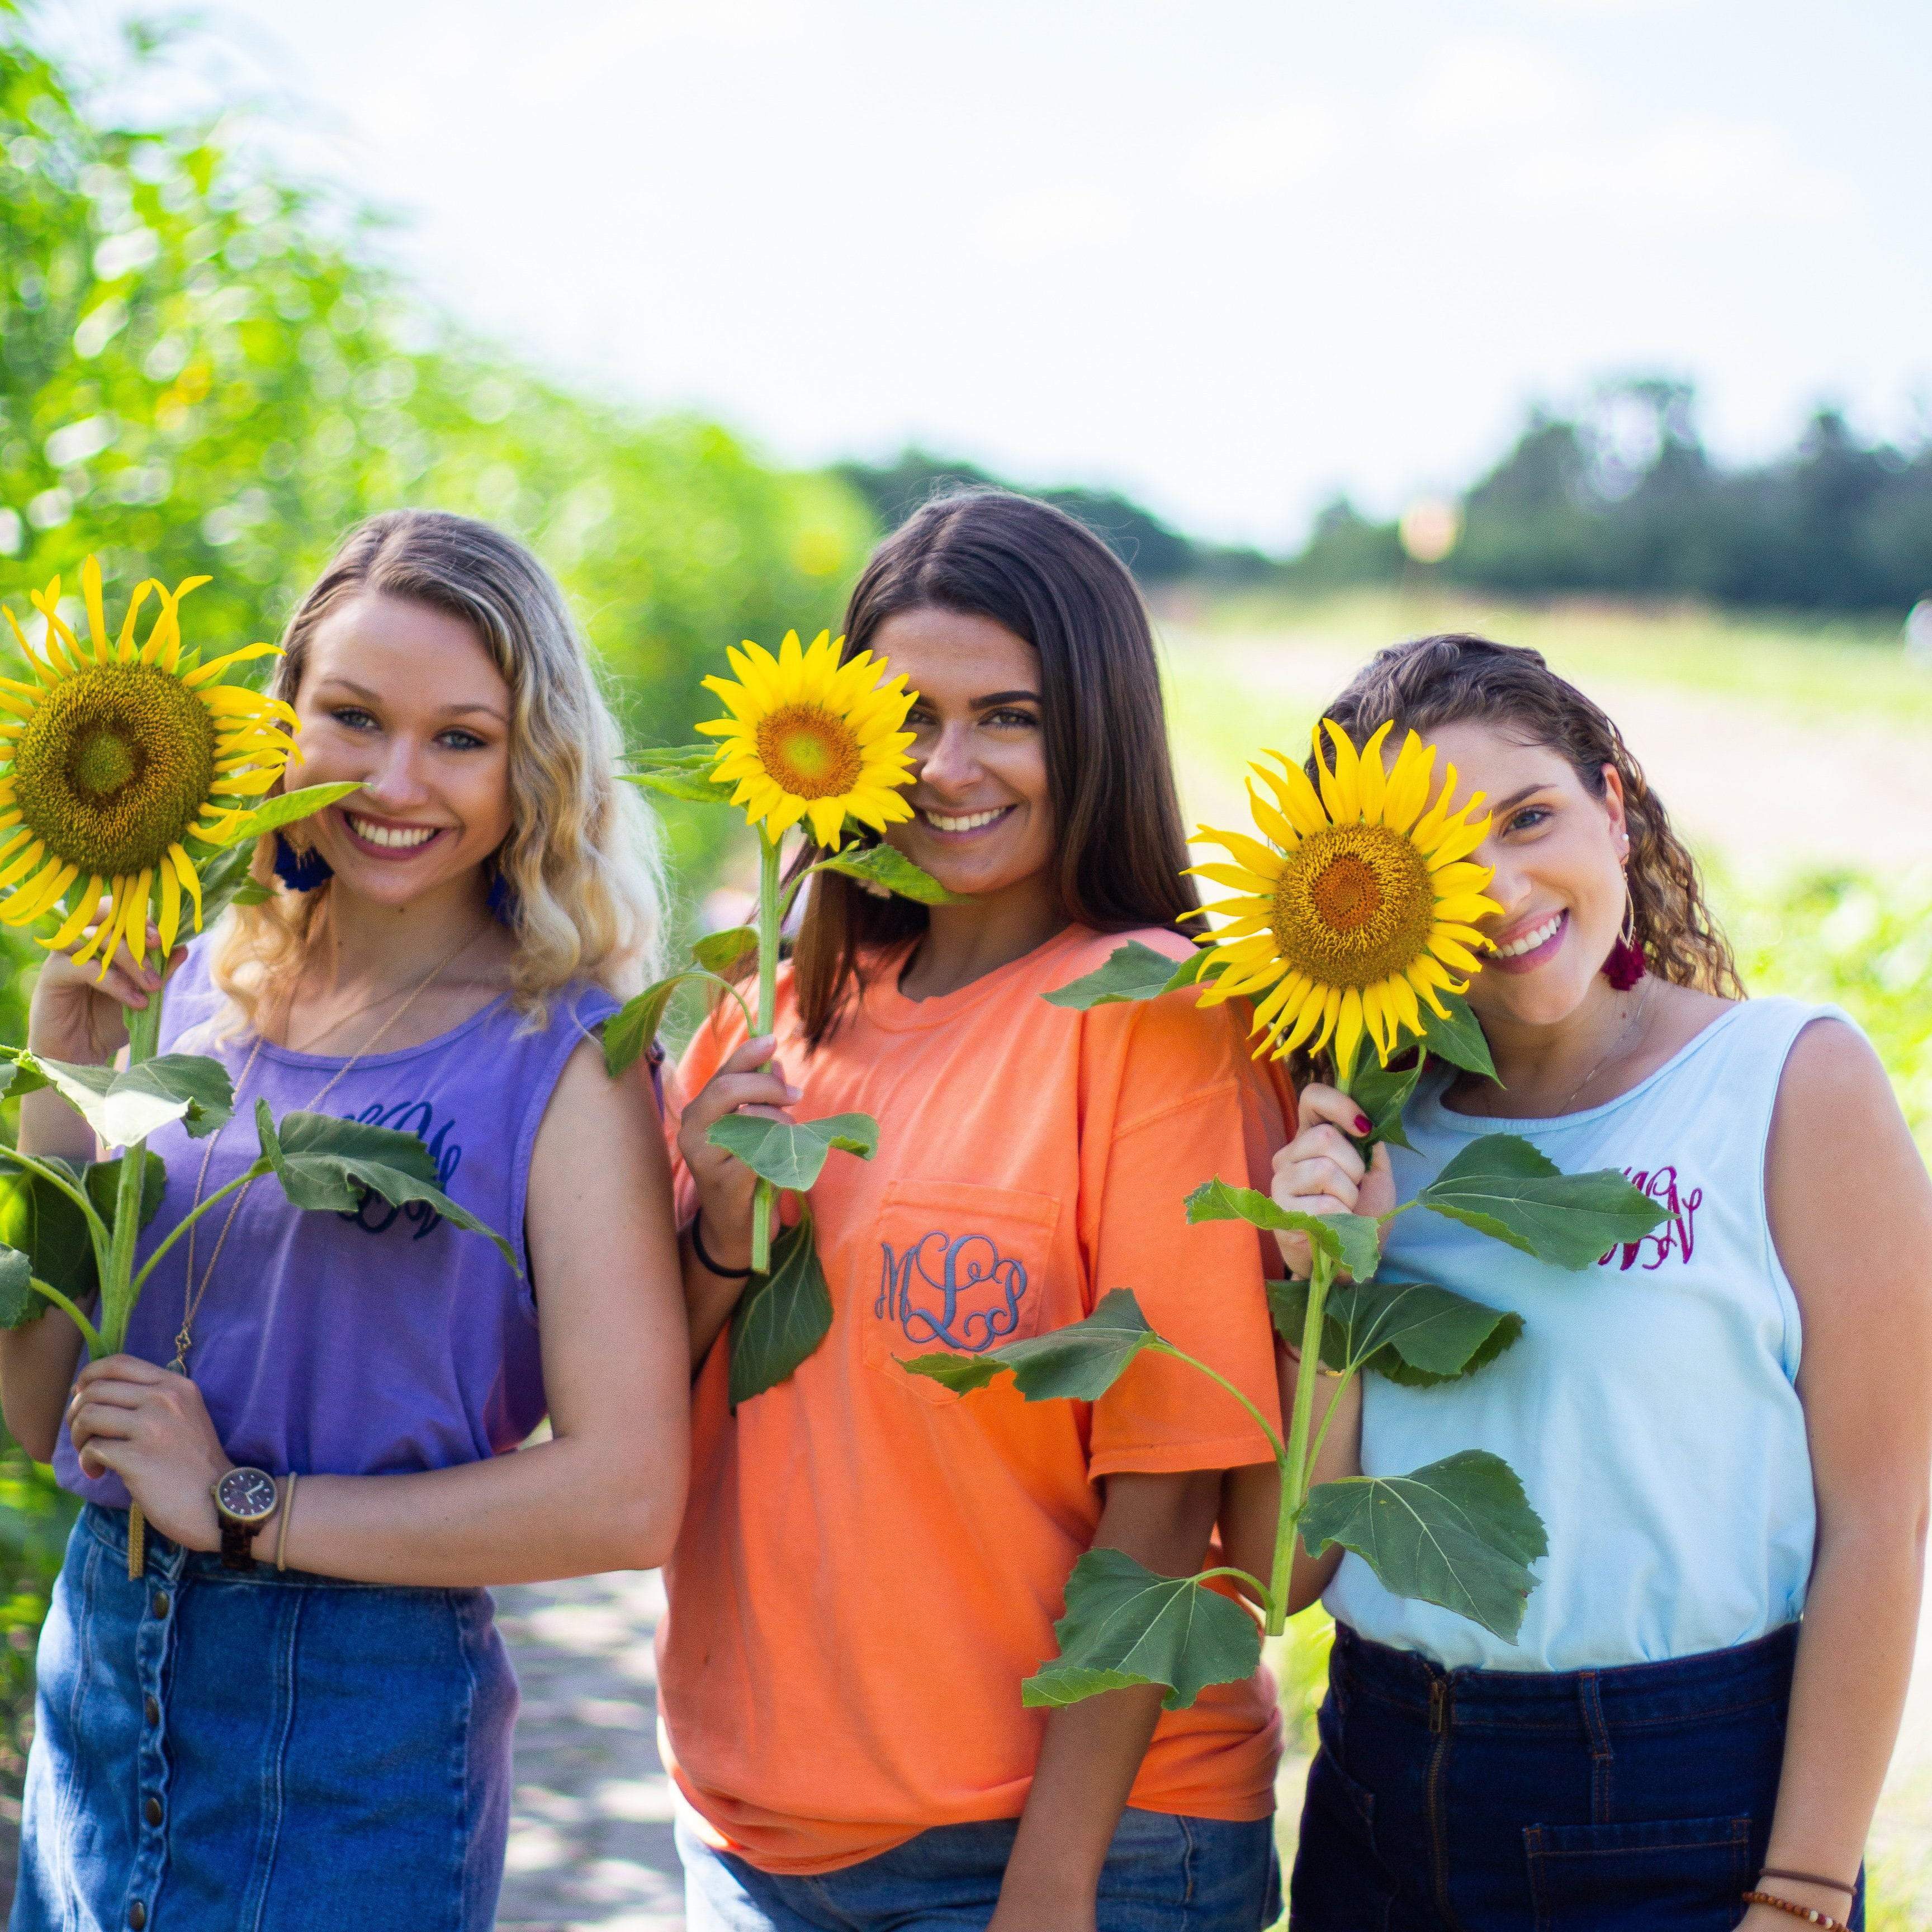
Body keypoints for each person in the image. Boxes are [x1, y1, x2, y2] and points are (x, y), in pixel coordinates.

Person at [1, 510, 690, 1932]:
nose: (395, 781)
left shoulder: (563, 1056)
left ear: (534, 760)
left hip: (354, 1725)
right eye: (353, 718)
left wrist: (249, 1508)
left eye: (460, 737)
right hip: (101, 1677)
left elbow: (628, 1492)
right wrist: (60, 1082)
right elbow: (41, 1418)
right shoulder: (183, 989)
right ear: (282, 724)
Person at [664, 489, 1292, 1932]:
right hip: (754, 1837)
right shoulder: (765, 1019)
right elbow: (638, 1422)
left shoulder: (1148, 1012)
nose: (949, 767)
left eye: (1009, 716)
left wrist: (1051, 1888)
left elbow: (1169, 1485)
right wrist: (715, 1222)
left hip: (1076, 1845)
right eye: (909, 717)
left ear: (1098, 727)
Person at [1270, 633, 1932, 1931]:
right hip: (1379, 1787)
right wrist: (1333, 1286)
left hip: (1692, 1802)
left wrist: (1801, 1894)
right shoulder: (1359, 1134)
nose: (1501, 886)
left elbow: (1883, 1517)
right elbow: (1292, 1569)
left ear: (1612, 809)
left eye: (1530, 816)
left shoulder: (1789, 1081)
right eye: (1436, 864)